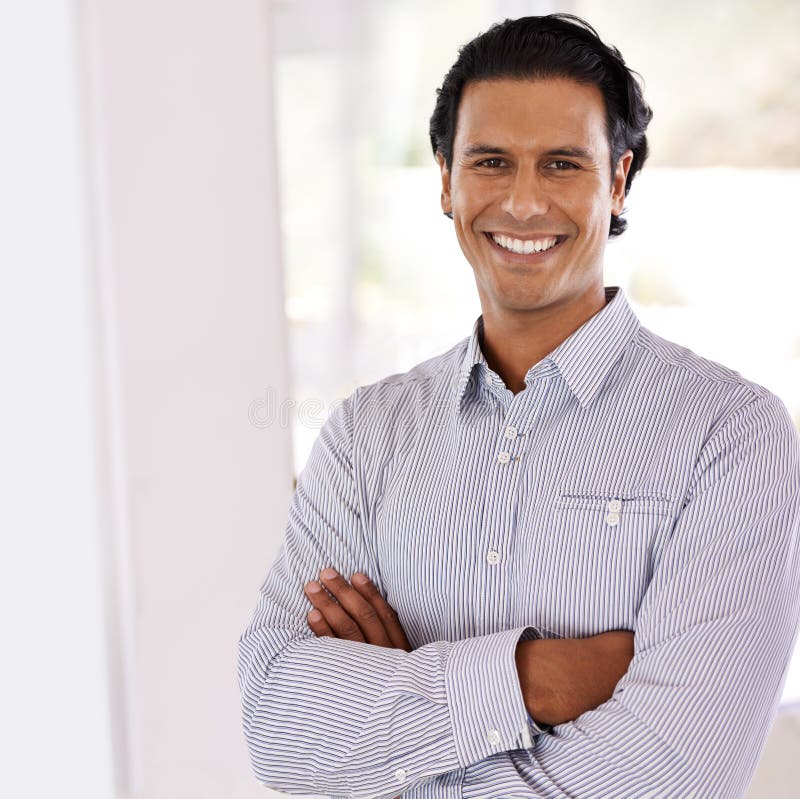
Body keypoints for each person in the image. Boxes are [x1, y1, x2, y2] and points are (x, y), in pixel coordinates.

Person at [237, 13, 800, 798]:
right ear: (446, 179)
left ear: (619, 178)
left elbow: (672, 775)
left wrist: (399, 716)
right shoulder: (367, 435)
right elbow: (279, 727)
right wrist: (531, 677)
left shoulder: (730, 436)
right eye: (491, 161)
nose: (525, 202)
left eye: (563, 163)